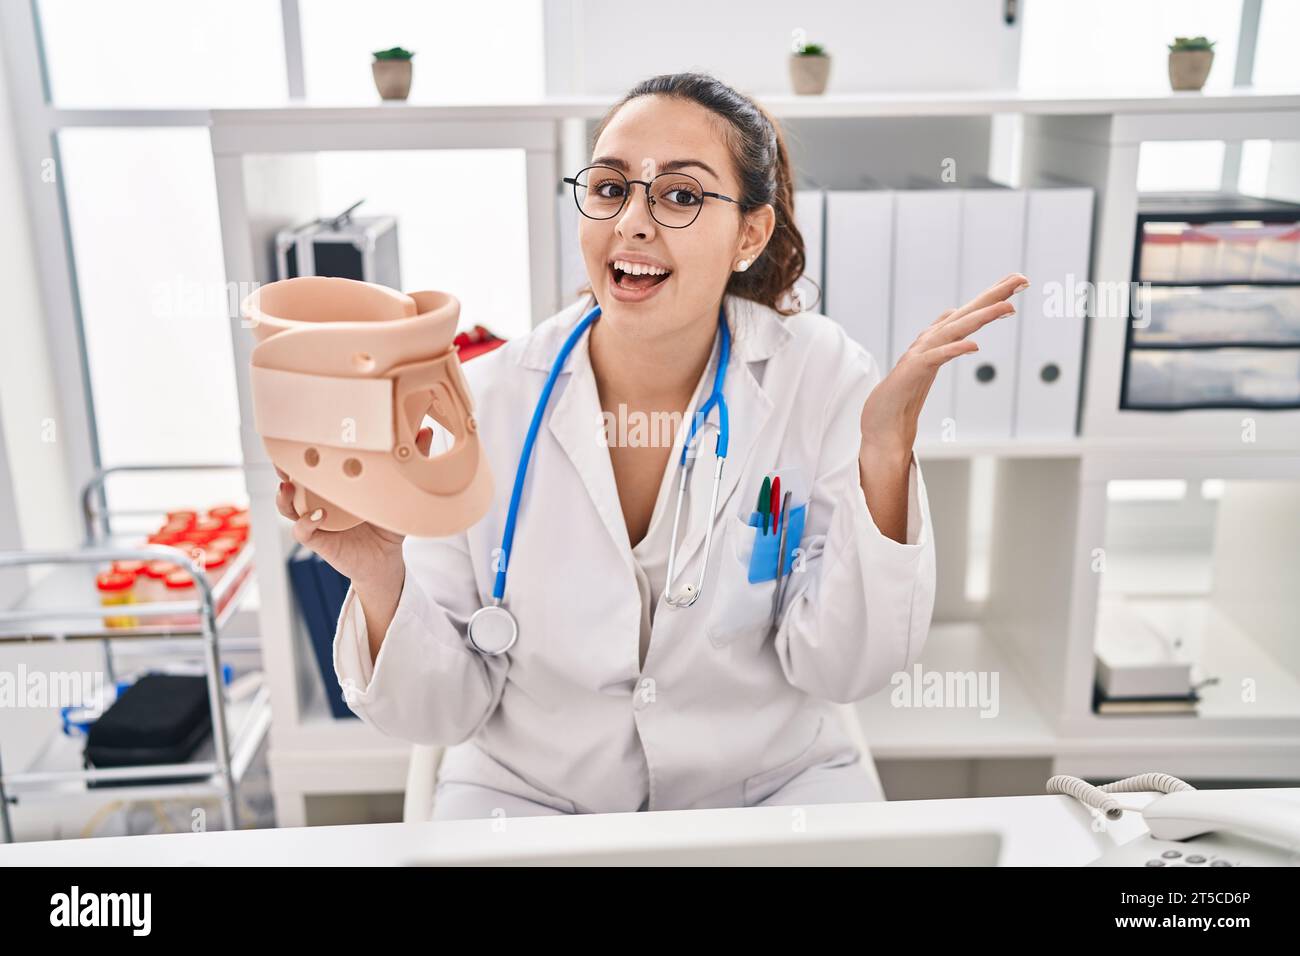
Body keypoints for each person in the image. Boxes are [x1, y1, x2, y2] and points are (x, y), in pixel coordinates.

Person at [277, 72, 1026, 819]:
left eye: (679, 195)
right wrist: (380, 579)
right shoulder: (490, 397)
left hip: (767, 791)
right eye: (609, 189)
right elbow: (440, 712)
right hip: (532, 796)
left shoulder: (819, 375)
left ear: (750, 234)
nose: (632, 221)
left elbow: (841, 664)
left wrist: (885, 452)